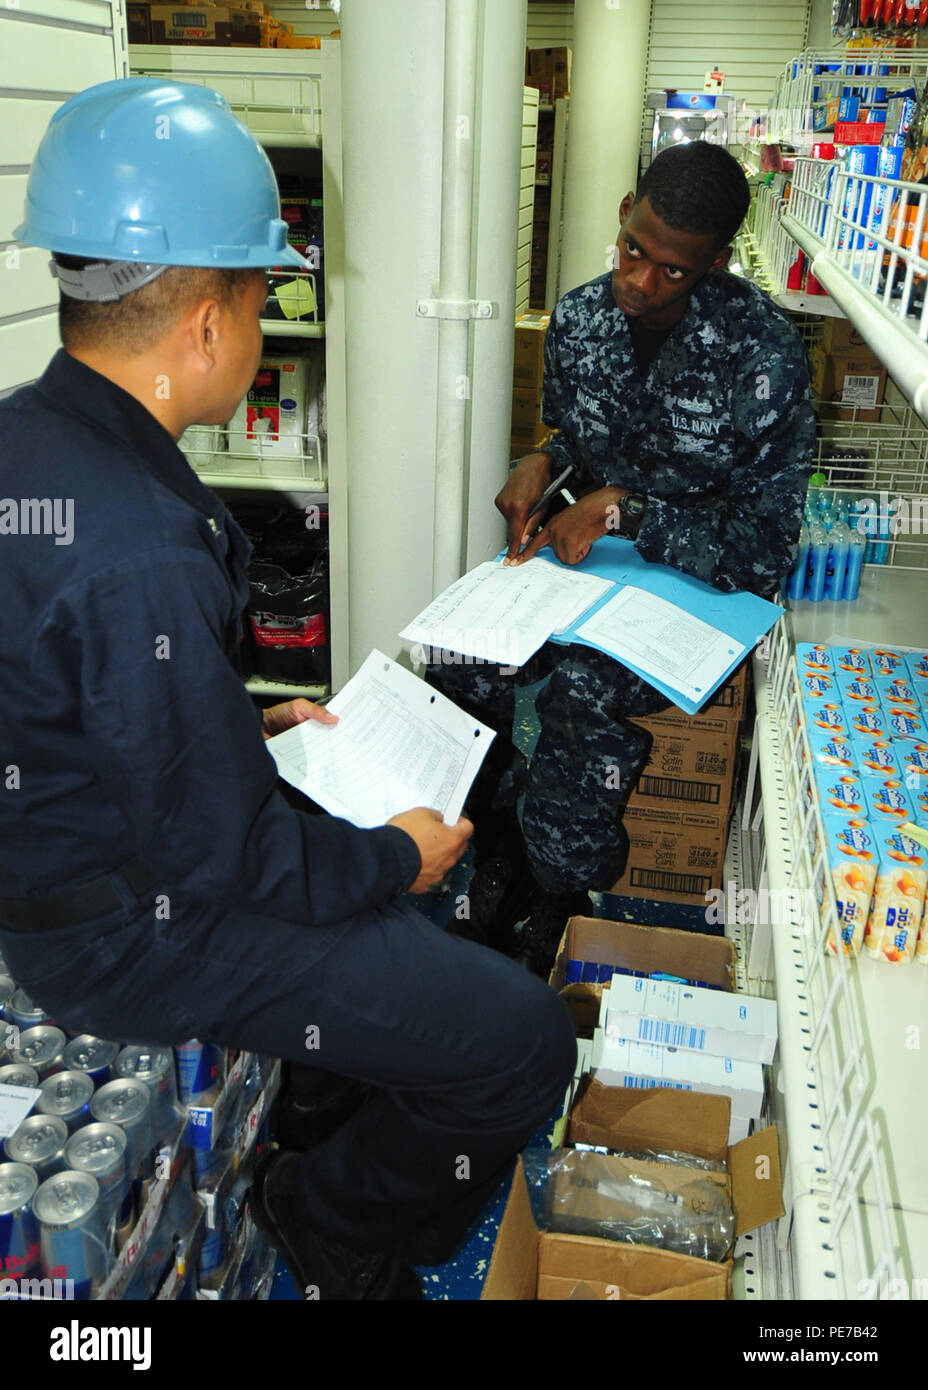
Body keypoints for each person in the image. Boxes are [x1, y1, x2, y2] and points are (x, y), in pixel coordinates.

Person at [0, 78, 576, 1300]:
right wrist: (392, 858)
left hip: (84, 851)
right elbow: (223, 855)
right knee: (519, 1044)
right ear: (209, 320)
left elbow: (55, 690)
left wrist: (221, 722)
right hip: (127, 930)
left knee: (406, 932)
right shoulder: (139, 543)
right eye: (265, 297)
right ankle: (322, 1213)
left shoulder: (32, 440)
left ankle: (322, 1097)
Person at [429, 141, 816, 976]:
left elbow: (765, 550)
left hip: (699, 587)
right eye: (633, 249)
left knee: (582, 691)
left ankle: (559, 889)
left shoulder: (765, 357)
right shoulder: (579, 320)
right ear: (622, 212)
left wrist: (631, 511)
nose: (639, 281)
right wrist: (546, 462)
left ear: (713, 265)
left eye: (671, 272)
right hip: (597, 568)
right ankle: (495, 842)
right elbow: (581, 440)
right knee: (460, 658)